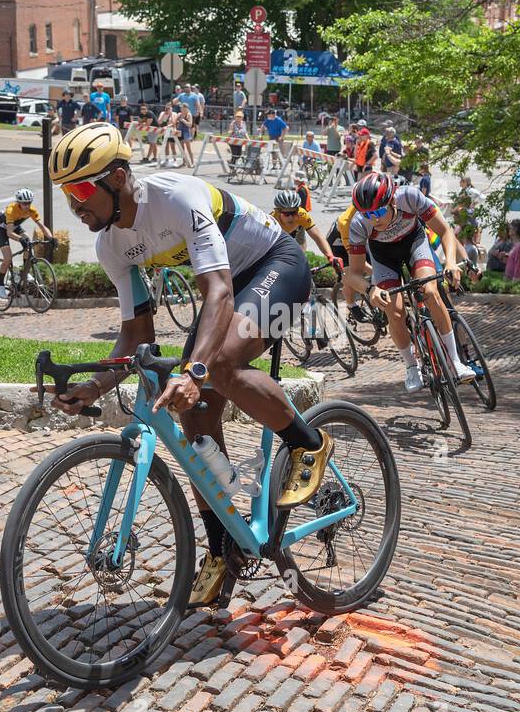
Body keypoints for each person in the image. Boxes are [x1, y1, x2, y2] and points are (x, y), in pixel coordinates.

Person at [47, 122, 326, 607]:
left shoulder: (175, 197)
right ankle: (222, 550)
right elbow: (138, 335)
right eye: (66, 193)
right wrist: (94, 386)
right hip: (228, 285)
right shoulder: (111, 243)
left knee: (214, 368)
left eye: (79, 190)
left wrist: (194, 371)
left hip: (274, 265)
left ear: (115, 177)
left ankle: (307, 444)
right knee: (194, 417)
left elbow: (217, 291)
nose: (74, 205)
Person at [341, 173, 476, 392]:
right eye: (367, 213)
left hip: (414, 242)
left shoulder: (411, 197)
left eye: (378, 211)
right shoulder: (358, 225)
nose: (373, 218)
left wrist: (451, 262)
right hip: (383, 257)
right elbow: (352, 273)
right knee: (393, 311)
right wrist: (370, 289)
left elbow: (444, 231)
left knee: (430, 292)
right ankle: (412, 366)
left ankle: (455, 362)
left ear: (392, 200)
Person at [0, 188, 53, 299]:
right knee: (7, 257)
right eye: (24, 203)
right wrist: (20, 239)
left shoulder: (31, 210)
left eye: (29, 203)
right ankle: (0, 284)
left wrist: (51, 238)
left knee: (29, 242)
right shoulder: (11, 210)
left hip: (14, 226)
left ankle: (23, 273)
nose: (27, 206)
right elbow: (9, 233)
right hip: (2, 228)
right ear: (18, 202)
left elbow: (42, 226)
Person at [177, 101, 196, 168]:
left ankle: (192, 162)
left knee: (188, 148)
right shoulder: (179, 114)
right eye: (181, 108)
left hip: (186, 132)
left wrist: (183, 120)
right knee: (182, 148)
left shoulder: (188, 114)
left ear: (186, 108)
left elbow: (190, 125)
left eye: (182, 108)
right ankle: (184, 162)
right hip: (180, 132)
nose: (181, 109)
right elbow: (176, 122)